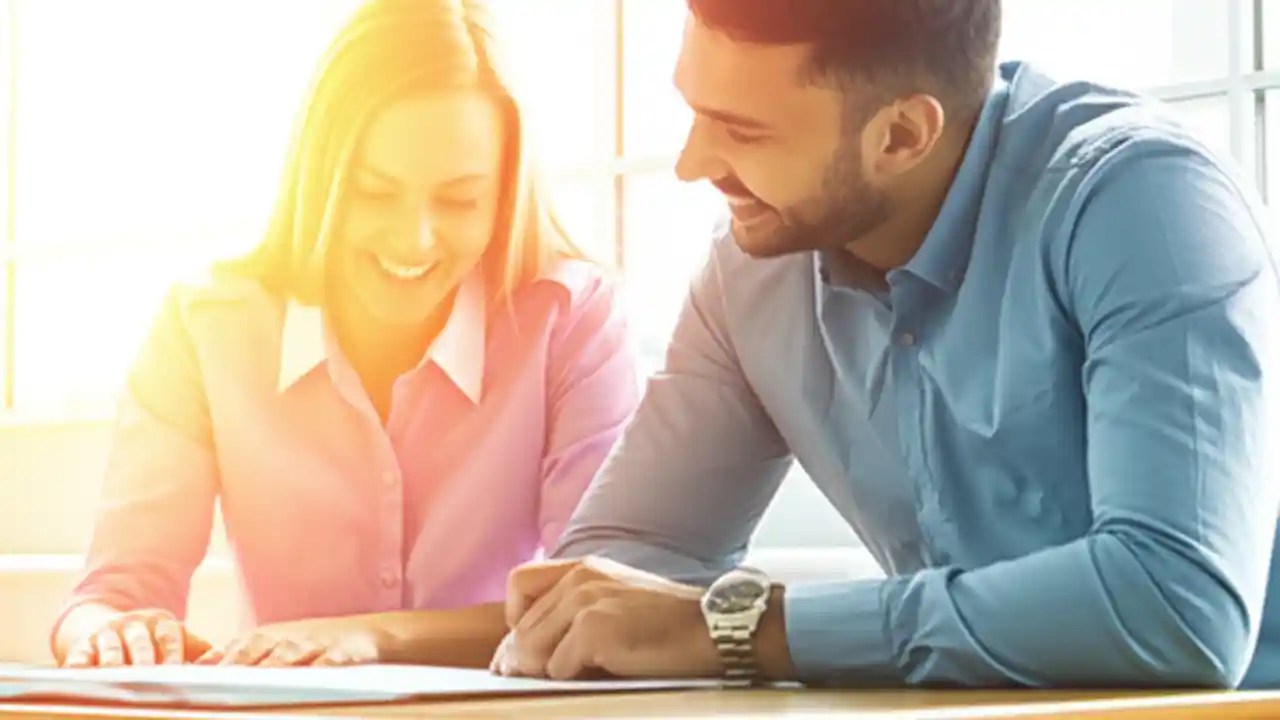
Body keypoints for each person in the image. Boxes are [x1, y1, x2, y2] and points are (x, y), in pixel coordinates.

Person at [180, 0, 1280, 688]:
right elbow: (611, 579)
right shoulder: (752, 267)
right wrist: (372, 640)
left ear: (900, 133)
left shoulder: (1138, 203)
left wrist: (741, 627)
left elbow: (1172, 609)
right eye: (694, 111)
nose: (691, 164)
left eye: (742, 132)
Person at [51, 0, 638, 668]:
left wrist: (372, 637)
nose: (414, 238)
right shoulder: (204, 328)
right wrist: (112, 633)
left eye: (459, 200)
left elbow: (592, 604)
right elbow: (115, 592)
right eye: (373, 192)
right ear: (320, 177)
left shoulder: (572, 320)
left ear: (503, 196)